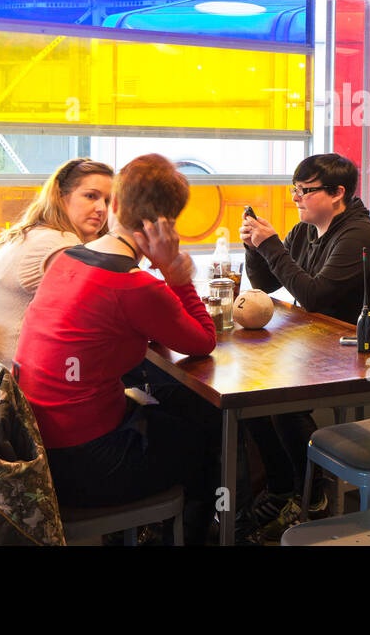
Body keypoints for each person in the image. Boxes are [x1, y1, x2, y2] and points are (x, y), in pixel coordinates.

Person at [14, 154, 220, 541]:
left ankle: (150, 532)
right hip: (85, 465)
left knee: (180, 409)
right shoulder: (135, 285)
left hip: (38, 447)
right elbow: (203, 341)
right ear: (167, 225)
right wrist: (174, 271)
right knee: (206, 437)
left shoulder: (68, 259)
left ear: (117, 205)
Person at [236, 152, 370, 543]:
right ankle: (283, 489)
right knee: (255, 395)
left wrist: (272, 244)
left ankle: (314, 498)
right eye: (294, 189)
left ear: (337, 194)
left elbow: (311, 295)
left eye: (305, 191)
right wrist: (255, 247)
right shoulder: (306, 229)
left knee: (283, 401)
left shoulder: (358, 236)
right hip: (325, 339)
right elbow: (271, 283)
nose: (296, 198)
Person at [0, 158, 113, 367]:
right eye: (91, 196)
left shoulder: (34, 234)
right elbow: (103, 316)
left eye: (108, 201)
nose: (102, 209)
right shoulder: (58, 244)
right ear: (61, 197)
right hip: (15, 388)